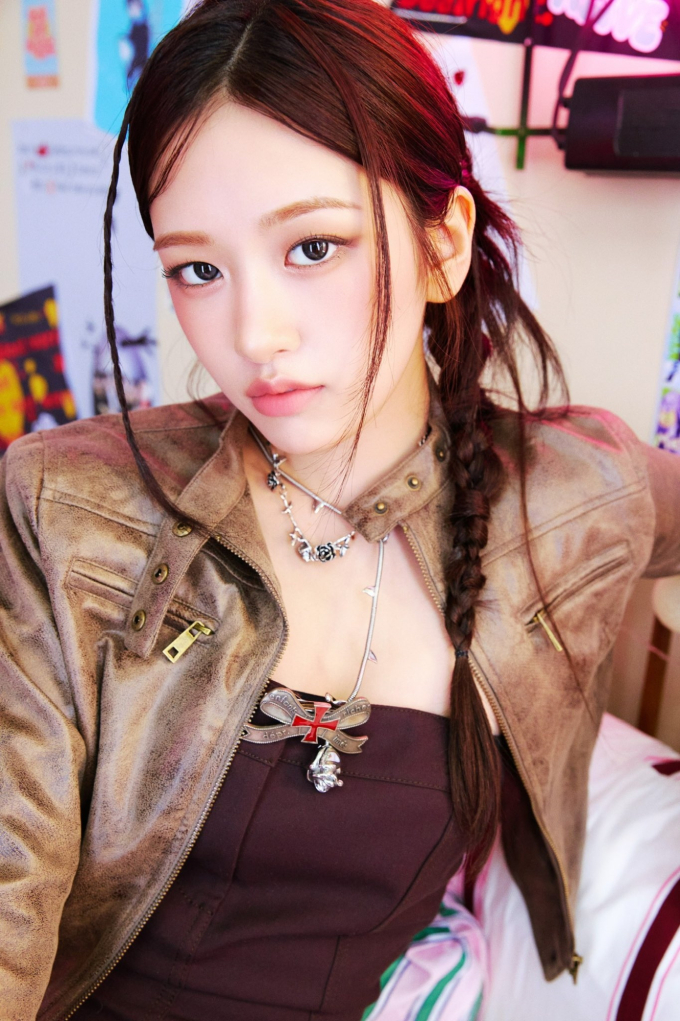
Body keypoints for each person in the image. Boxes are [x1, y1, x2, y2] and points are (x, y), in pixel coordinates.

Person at [1, 1, 679, 1019]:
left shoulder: (568, 493)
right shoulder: (69, 506)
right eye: (197, 269)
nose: (253, 333)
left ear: (442, 245)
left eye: (313, 247)